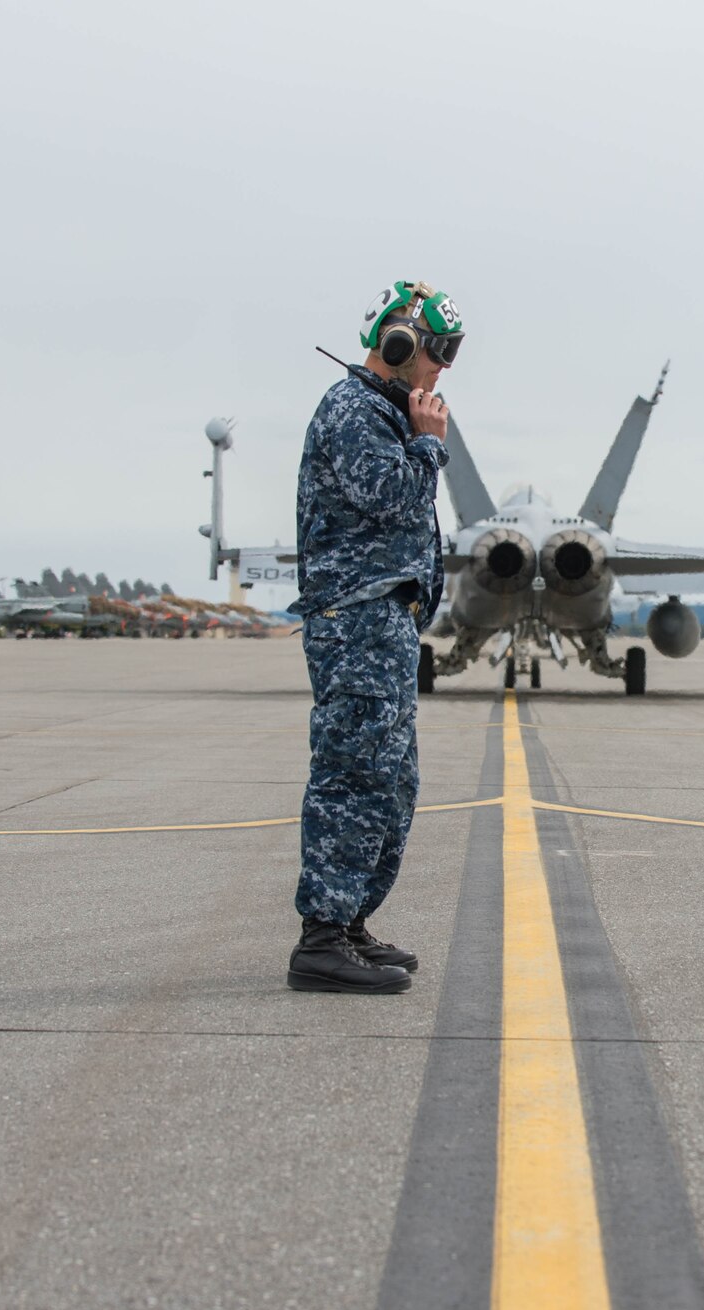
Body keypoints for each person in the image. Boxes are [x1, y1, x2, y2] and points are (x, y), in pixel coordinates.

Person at [285, 280, 463, 994]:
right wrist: (429, 447)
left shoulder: (385, 413)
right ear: (398, 344)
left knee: (392, 780)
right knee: (354, 773)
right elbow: (389, 497)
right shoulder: (353, 410)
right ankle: (321, 939)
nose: (442, 368)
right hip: (355, 620)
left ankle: (352, 922)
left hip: (384, 622)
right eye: (437, 351)